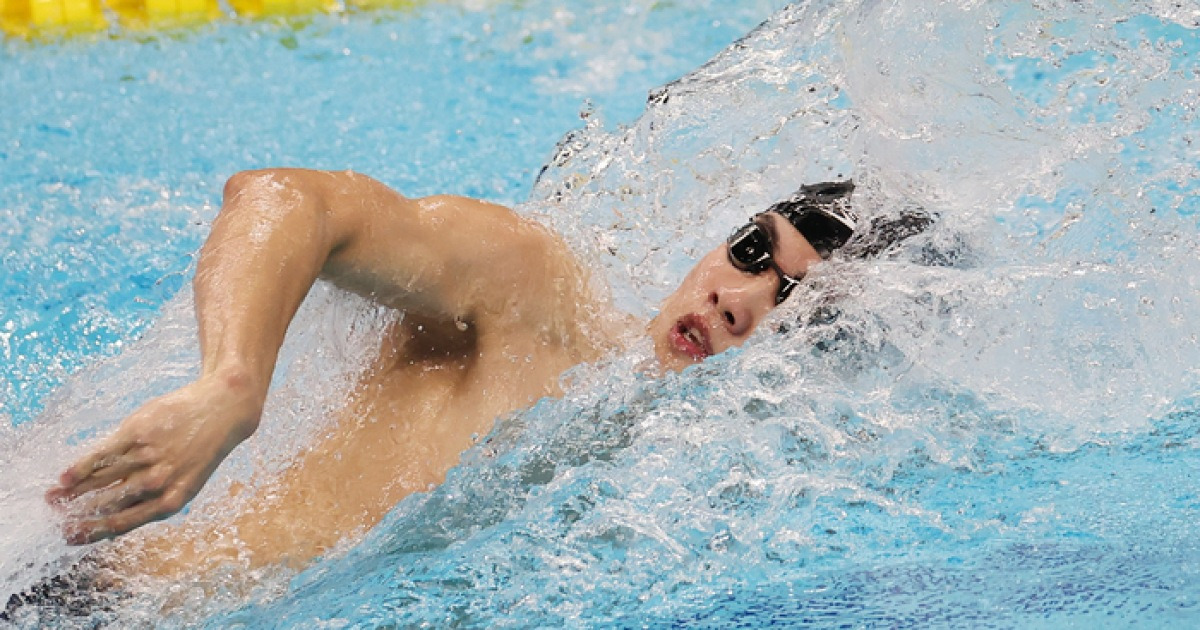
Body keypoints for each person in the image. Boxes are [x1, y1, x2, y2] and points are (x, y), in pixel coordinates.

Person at [38, 170, 873, 581]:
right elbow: (284, 197)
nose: (738, 300)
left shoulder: (724, 510)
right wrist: (231, 384)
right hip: (80, 595)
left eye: (793, 304)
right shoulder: (533, 294)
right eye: (753, 250)